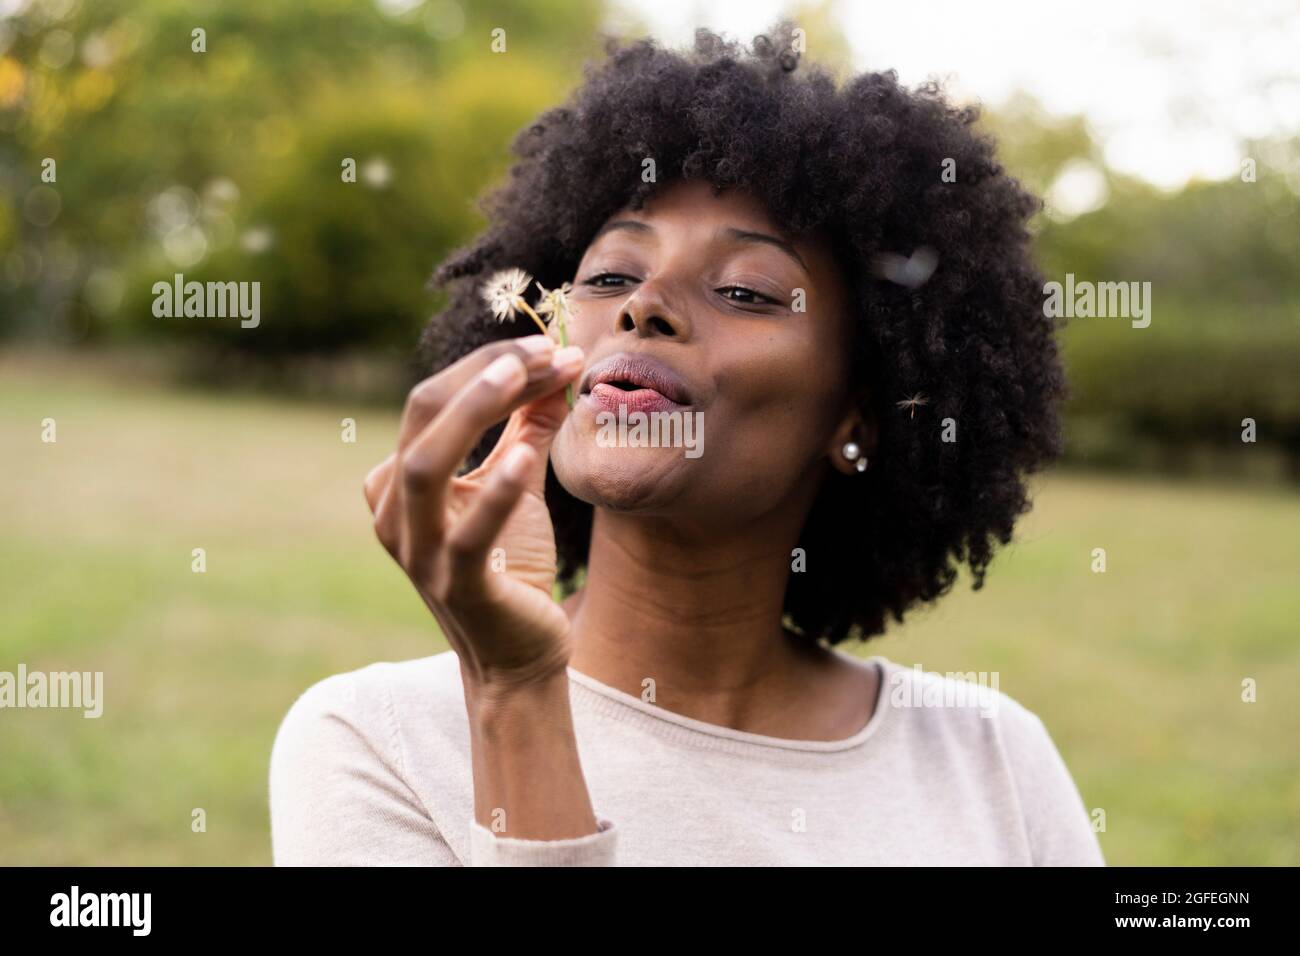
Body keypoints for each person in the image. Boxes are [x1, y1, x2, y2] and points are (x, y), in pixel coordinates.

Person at [269, 23, 1105, 866]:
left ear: (856, 419)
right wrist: (514, 691)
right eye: (608, 277)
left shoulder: (991, 758)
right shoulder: (378, 744)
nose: (645, 305)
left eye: (745, 289)